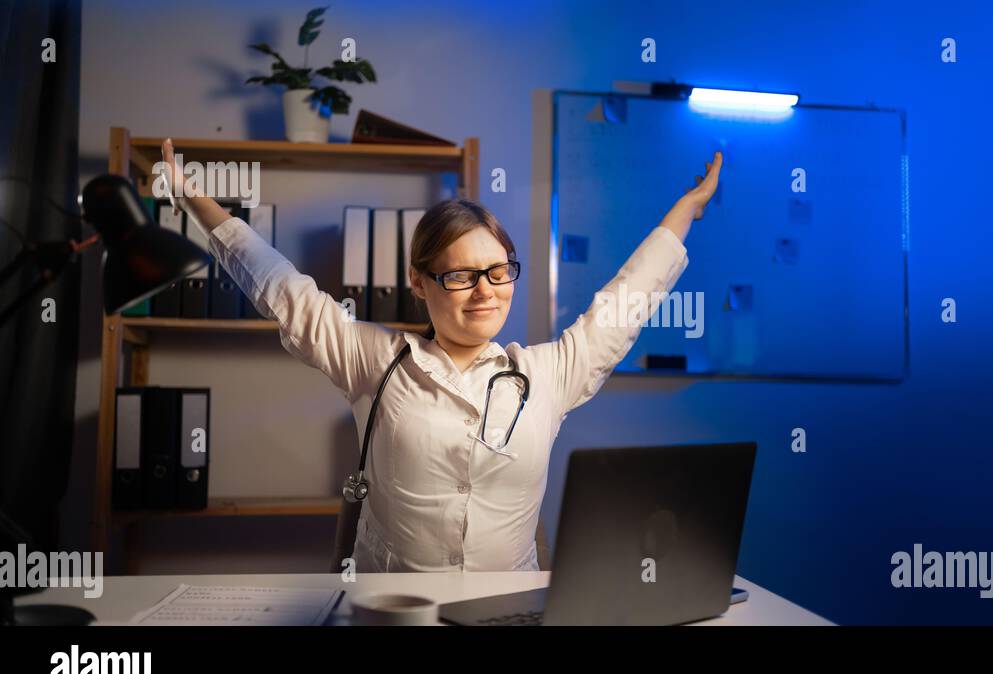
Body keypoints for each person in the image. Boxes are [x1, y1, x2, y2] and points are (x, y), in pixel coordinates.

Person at [160, 138, 722, 572]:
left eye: (499, 272)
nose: (486, 290)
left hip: (508, 613)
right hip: (392, 612)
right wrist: (194, 199)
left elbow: (629, 299)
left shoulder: (547, 374)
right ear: (420, 282)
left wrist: (686, 212)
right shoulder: (372, 359)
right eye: (461, 274)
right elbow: (284, 292)